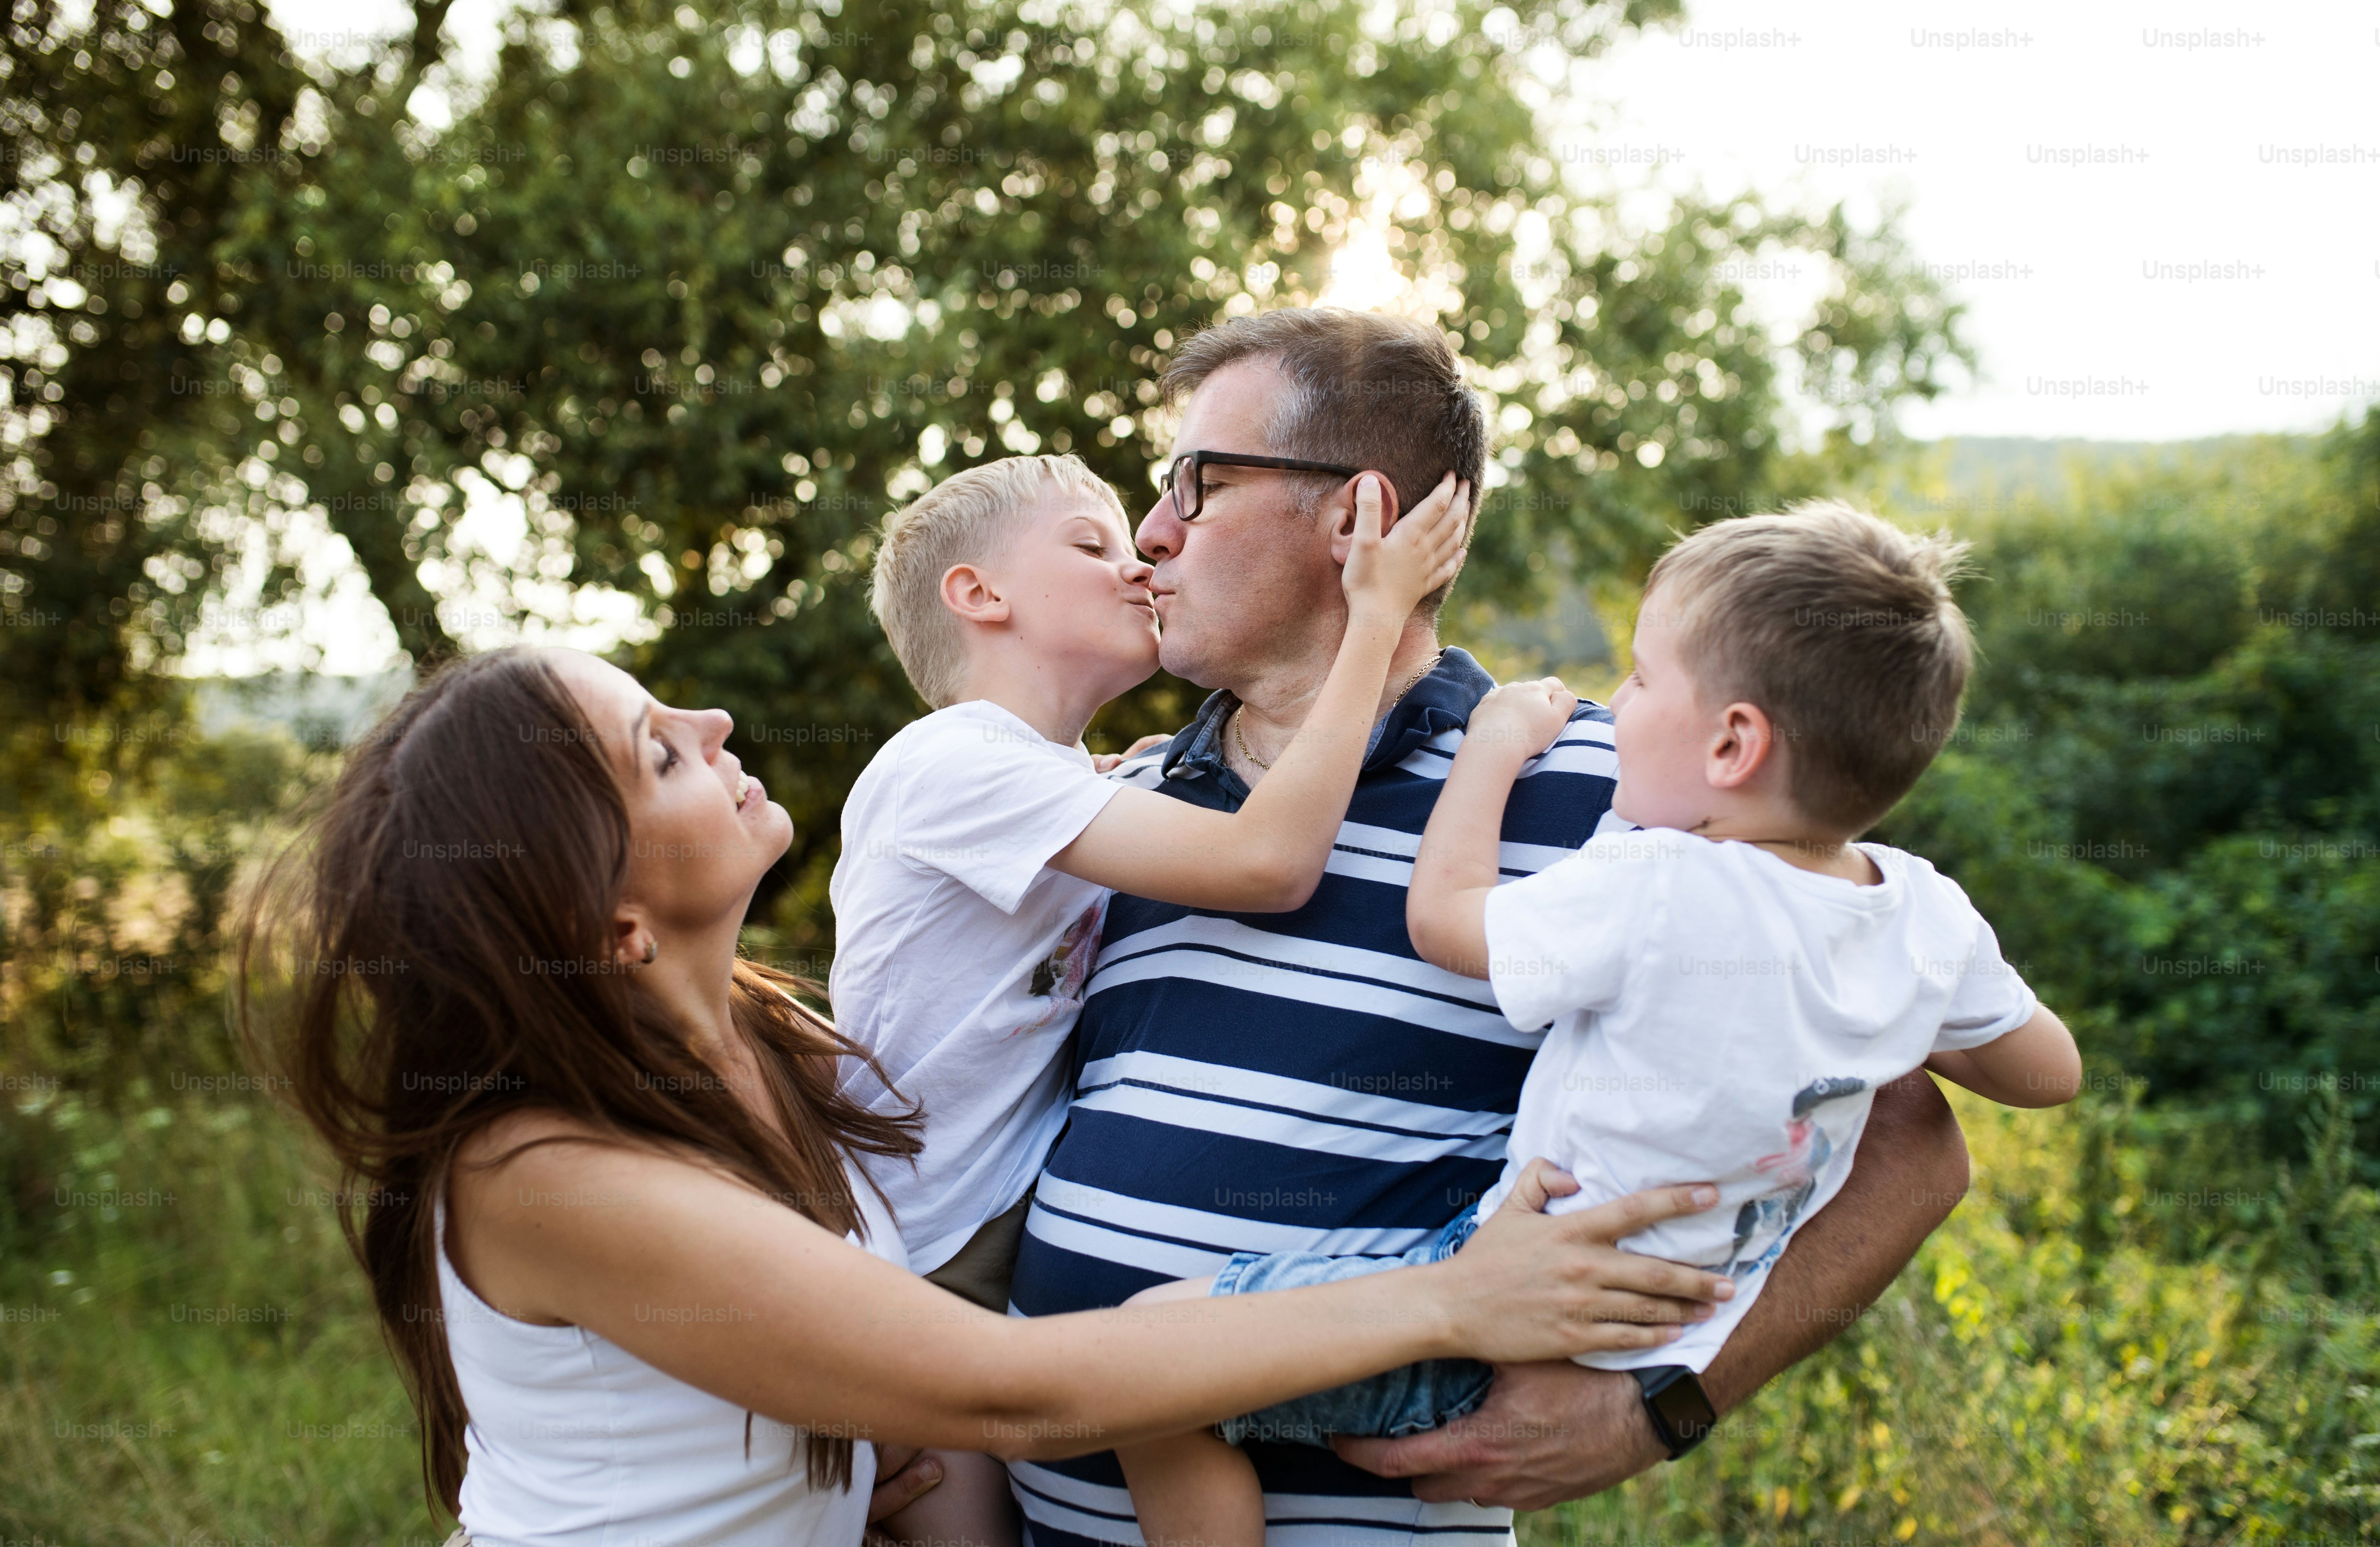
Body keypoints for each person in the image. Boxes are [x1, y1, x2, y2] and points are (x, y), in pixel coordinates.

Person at [236, 644, 1733, 1547]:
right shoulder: (545, 1174)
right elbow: (998, 1389)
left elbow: (902, 1433)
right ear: (608, 921)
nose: (712, 725)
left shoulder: (780, 1050)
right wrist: (1454, 1303)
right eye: (656, 751)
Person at [1004, 307, 1977, 1544]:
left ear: (1353, 516)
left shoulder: (1618, 801)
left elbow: (1909, 1139)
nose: (1153, 531)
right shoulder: (1124, 805)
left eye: (1198, 481)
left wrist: (1659, 1407)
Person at [1112, 504, 2085, 1544]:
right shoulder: (1924, 909)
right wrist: (1859, 1000)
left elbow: (1444, 920)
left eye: (1641, 676)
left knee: (1143, 1362)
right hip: (1657, 1332)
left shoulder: (1658, 878)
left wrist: (1492, 747)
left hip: (1502, 1323)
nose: (1611, 702)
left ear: (1732, 742)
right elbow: (2047, 1070)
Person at [827, 448, 1468, 1537]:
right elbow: (1267, 863)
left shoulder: (1067, 778)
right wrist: (1372, 618)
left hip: (978, 1237)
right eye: (1093, 545)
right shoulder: (951, 765)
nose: (1138, 564)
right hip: (915, 1268)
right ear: (979, 596)